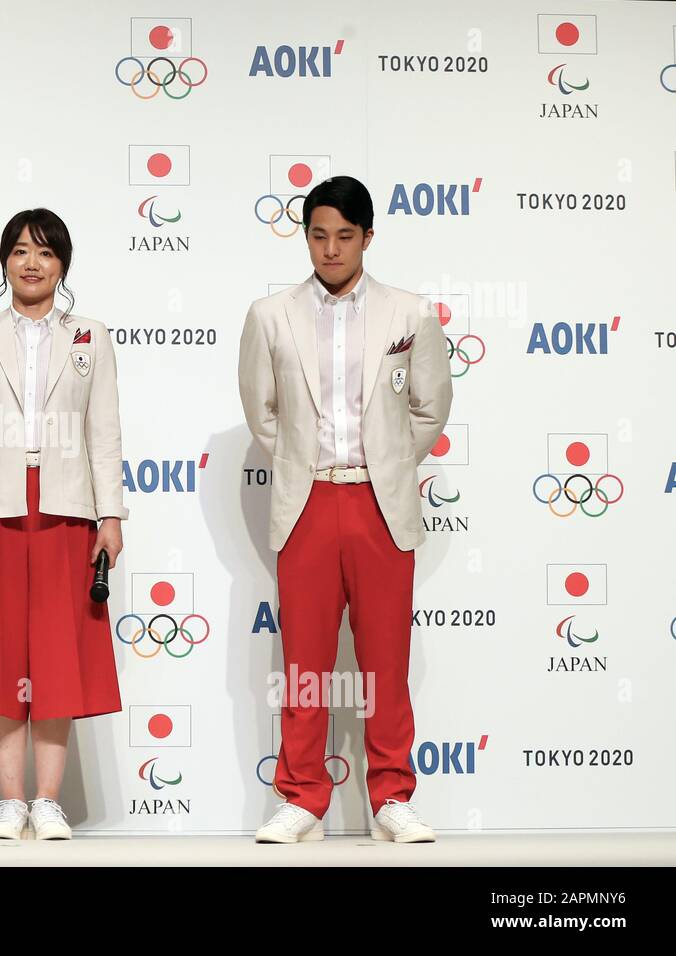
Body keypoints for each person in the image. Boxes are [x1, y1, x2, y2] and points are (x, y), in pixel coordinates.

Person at [237, 176, 452, 844]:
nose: (330, 249)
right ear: (305, 236)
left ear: (368, 237)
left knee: (386, 659)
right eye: (319, 235)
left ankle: (392, 796)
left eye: (345, 236)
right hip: (305, 502)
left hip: (379, 503)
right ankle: (303, 796)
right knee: (305, 663)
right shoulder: (269, 315)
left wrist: (385, 463)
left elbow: (431, 407)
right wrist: (301, 462)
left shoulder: (409, 313)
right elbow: (262, 411)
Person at [0, 208, 127, 840]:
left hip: (66, 507)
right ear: (4, 261)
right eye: (20, 250)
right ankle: (11, 801)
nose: (31, 263)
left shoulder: (91, 336)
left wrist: (111, 514)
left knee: (57, 652)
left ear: (63, 265)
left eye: (45, 252)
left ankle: (48, 800)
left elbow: (104, 431)